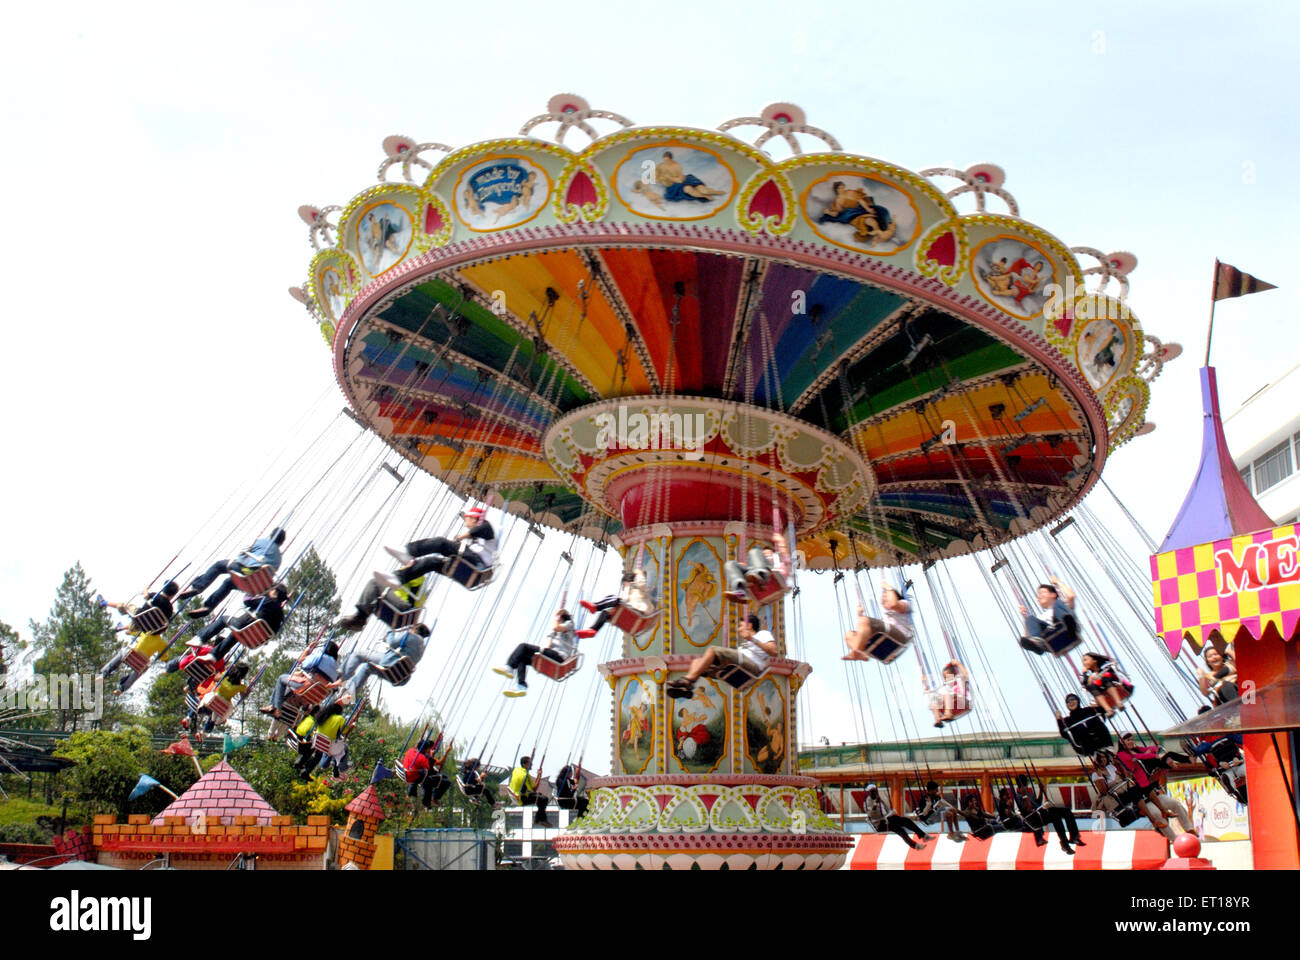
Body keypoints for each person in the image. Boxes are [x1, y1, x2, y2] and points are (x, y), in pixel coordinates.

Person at [180, 528, 287, 618]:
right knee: (229, 583)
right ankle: (208, 607)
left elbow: (243, 554)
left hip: (246, 571)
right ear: (281, 542)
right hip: (254, 587)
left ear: (272, 535)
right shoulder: (279, 559)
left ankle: (199, 586)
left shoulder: (262, 542)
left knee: (219, 565)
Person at [665, 613, 778, 698]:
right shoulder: (744, 644)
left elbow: (773, 651)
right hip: (739, 663)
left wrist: (752, 639)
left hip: (752, 665)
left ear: (749, 625)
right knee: (697, 662)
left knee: (712, 650)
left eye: (740, 625)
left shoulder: (763, 634)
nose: (739, 629)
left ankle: (688, 680)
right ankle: (687, 688)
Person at [100, 581, 181, 691]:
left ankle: (104, 603)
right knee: (140, 669)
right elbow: (164, 654)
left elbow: (145, 595)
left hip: (138, 621)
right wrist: (167, 662)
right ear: (173, 595)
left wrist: (146, 589)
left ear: (164, 589)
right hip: (149, 629)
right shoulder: (170, 610)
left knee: (125, 605)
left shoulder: (155, 596)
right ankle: (122, 687)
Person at [495, 609, 592, 697]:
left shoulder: (569, 624)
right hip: (550, 654)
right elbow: (548, 645)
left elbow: (556, 627)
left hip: (558, 656)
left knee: (523, 646)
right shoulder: (556, 633)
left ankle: (510, 667)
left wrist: (556, 619)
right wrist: (542, 649)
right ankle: (521, 684)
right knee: (523, 657)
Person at [1115, 732, 1194, 838]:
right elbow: (1136, 757)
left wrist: (1149, 753)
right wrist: (1149, 755)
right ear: (1122, 742)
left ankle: (1189, 829)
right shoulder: (1122, 755)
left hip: (1148, 779)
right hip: (1143, 788)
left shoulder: (1136, 749)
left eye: (1132, 739)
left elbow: (1153, 749)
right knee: (1157, 815)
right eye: (1128, 740)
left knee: (1176, 804)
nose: (1131, 742)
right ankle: (1174, 839)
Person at [335, 622, 431, 698]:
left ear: (414, 629)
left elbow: (392, 643)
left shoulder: (410, 636)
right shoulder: (422, 648)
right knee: (367, 667)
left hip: (389, 664)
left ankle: (343, 678)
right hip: (398, 677)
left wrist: (390, 630)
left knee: (358, 654)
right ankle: (347, 696)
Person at [197, 584, 289, 663]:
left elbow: (247, 600)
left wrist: (252, 591)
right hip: (255, 640)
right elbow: (274, 632)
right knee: (236, 634)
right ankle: (213, 656)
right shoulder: (281, 615)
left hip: (245, 625)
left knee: (224, 619)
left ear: (274, 592)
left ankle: (201, 637)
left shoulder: (266, 600)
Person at [261, 641, 340, 720]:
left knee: (282, 678)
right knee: (291, 687)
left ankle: (275, 708)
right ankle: (274, 707)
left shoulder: (320, 657)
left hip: (307, 687)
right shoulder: (338, 669)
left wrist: (307, 650)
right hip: (318, 697)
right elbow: (335, 688)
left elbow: (302, 663)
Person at [1015, 774, 1083, 854]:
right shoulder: (1019, 797)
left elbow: (1038, 803)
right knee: (1055, 817)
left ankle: (1074, 836)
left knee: (1066, 811)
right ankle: (1065, 845)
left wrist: (1041, 790)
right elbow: (1028, 810)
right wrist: (1024, 796)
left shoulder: (1029, 793)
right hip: (1035, 819)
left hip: (1041, 813)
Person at [843, 584, 913, 661]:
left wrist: (888, 588)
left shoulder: (905, 604)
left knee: (865, 621)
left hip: (900, 637)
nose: (885, 601)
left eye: (886, 598)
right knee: (849, 635)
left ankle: (857, 652)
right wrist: (859, 614)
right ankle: (859, 653)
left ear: (895, 596)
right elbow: (863, 630)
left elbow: (894, 605)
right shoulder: (886, 619)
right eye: (884, 601)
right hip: (884, 644)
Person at [722, 533, 791, 602]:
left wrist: (781, 541)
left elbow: (785, 553)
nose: (765, 555)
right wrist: (740, 568)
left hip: (774, 576)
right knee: (729, 564)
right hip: (754, 574)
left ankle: (761, 577)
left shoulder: (780, 560)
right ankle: (740, 591)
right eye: (764, 554)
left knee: (754, 552)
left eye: (768, 554)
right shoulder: (756, 563)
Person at [581, 568, 654, 632]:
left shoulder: (636, 587)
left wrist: (637, 573)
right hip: (635, 613)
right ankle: (593, 629)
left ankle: (596, 607)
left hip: (641, 611)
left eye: (624, 585)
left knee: (614, 599)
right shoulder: (632, 593)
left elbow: (642, 582)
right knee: (606, 612)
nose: (624, 588)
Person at [1017, 577, 1077, 655]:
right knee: (1030, 619)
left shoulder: (1062, 605)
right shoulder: (1039, 619)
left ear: (1053, 594)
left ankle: (1067, 625)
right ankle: (1038, 643)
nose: (1039, 596)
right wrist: (1025, 618)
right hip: (1052, 640)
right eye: (1038, 595)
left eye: (1042, 593)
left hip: (1068, 631)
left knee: (1057, 604)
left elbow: (1071, 596)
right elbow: (1026, 637)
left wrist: (1058, 582)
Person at [862, 784, 929, 849]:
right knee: (899, 829)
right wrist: (874, 806)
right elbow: (870, 814)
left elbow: (885, 810)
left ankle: (922, 835)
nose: (874, 793)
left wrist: (891, 812)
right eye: (872, 791)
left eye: (875, 791)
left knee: (906, 820)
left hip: (887, 818)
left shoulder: (880, 800)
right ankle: (914, 845)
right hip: (880, 823)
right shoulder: (867, 802)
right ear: (869, 793)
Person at [194, 662, 251, 735]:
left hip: (215, 698)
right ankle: (205, 731)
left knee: (211, 700)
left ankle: (200, 711)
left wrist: (226, 669)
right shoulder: (241, 687)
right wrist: (248, 690)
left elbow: (215, 678)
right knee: (215, 717)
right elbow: (243, 696)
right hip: (224, 705)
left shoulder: (224, 676)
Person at [1080, 652, 1132, 716]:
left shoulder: (1105, 667)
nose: (1083, 663)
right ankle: (1109, 710)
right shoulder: (1088, 676)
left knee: (1105, 678)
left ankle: (1119, 703)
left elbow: (1113, 670)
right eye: (1083, 661)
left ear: (1094, 660)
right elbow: (1085, 684)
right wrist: (1085, 674)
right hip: (1101, 692)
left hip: (1115, 685)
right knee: (1092, 686)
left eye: (1085, 660)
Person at [927, 660, 970, 727]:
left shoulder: (959, 680)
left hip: (961, 702)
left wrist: (958, 664)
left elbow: (965, 674)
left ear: (954, 675)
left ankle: (948, 713)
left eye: (948, 677)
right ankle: (938, 719)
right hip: (952, 704)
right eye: (945, 678)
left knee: (947, 694)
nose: (946, 679)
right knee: (934, 698)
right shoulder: (947, 686)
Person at [509, 756, 550, 826]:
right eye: (530, 763)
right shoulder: (526, 775)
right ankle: (540, 820)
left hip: (515, 795)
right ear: (524, 764)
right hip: (521, 798)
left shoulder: (516, 770)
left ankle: (539, 820)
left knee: (540, 797)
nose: (531, 764)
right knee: (544, 799)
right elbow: (534, 788)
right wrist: (539, 775)